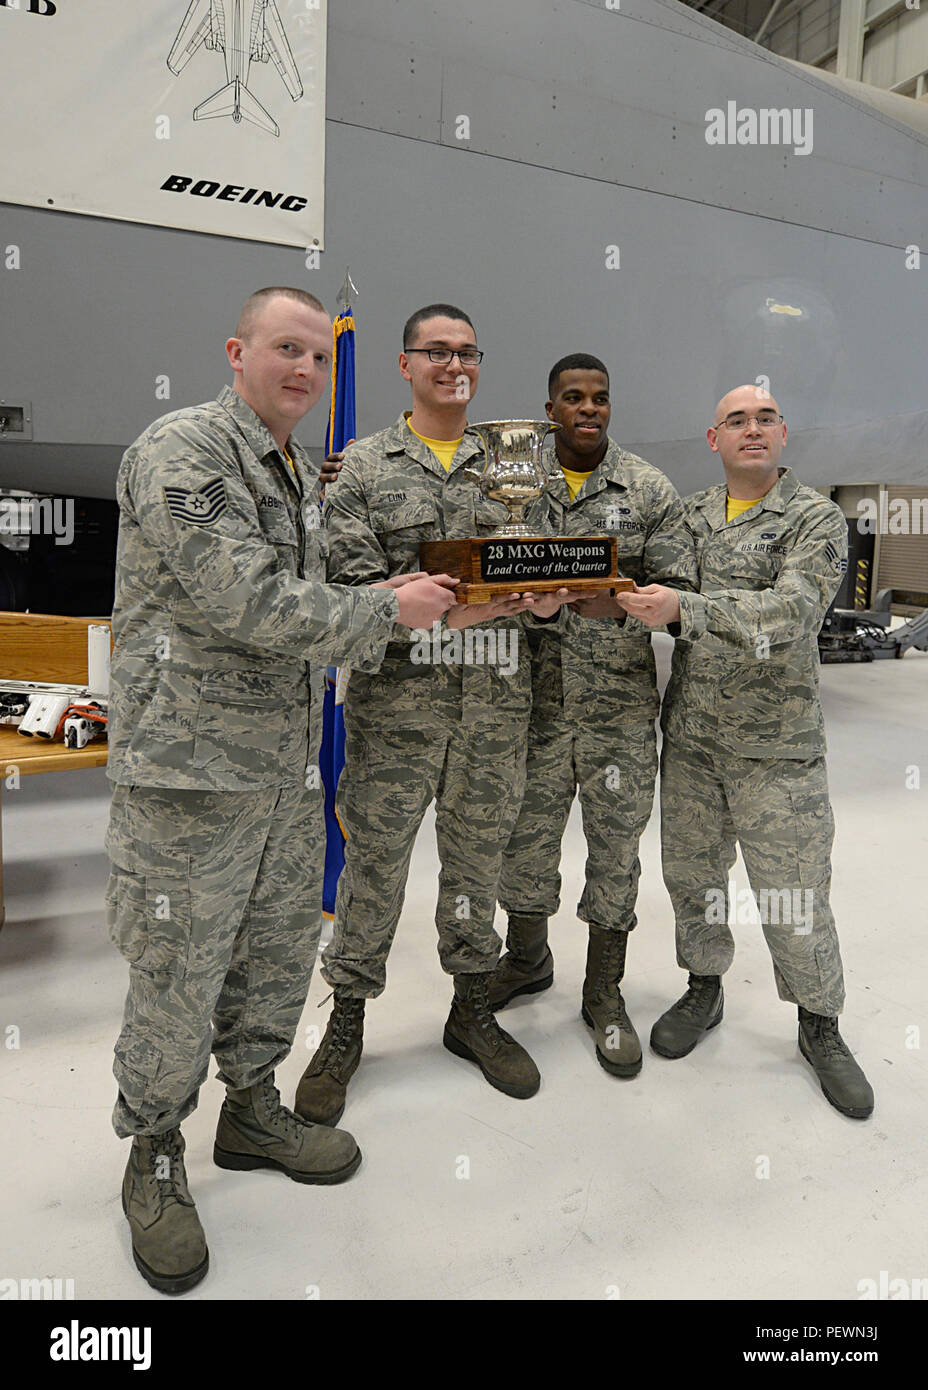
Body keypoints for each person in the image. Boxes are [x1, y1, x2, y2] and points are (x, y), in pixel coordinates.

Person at [106, 287, 459, 1294]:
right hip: (185, 778)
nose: (306, 369)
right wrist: (390, 609)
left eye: (316, 355)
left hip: (279, 770)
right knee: (178, 971)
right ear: (237, 352)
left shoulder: (293, 465)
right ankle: (155, 1154)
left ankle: (250, 1107)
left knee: (271, 954)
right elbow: (249, 601)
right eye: (286, 349)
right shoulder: (184, 453)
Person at [295, 303, 574, 1124]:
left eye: (469, 353)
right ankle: (346, 1022)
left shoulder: (522, 464)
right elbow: (354, 595)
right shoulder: (364, 470)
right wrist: (462, 610)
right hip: (398, 714)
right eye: (437, 352)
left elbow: (543, 570)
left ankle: (471, 1010)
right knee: (373, 872)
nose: (455, 365)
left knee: (474, 871)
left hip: (493, 711)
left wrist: (551, 603)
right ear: (405, 364)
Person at [617, 384, 873, 1118]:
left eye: (765, 419)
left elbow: (792, 613)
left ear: (783, 434)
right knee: (693, 878)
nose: (751, 430)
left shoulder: (814, 517)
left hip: (776, 749)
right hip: (694, 739)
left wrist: (682, 608)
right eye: (737, 421)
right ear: (713, 438)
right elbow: (645, 582)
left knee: (793, 895)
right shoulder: (693, 516)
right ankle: (704, 988)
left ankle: (819, 1025)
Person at [491, 354, 697, 1078]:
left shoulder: (645, 488)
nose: (588, 409)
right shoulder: (513, 484)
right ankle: (526, 958)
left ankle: (604, 991)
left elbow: (682, 587)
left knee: (614, 850)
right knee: (525, 837)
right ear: (549, 407)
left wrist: (623, 599)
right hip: (533, 705)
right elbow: (478, 561)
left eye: (600, 399)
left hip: (615, 710)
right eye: (573, 398)